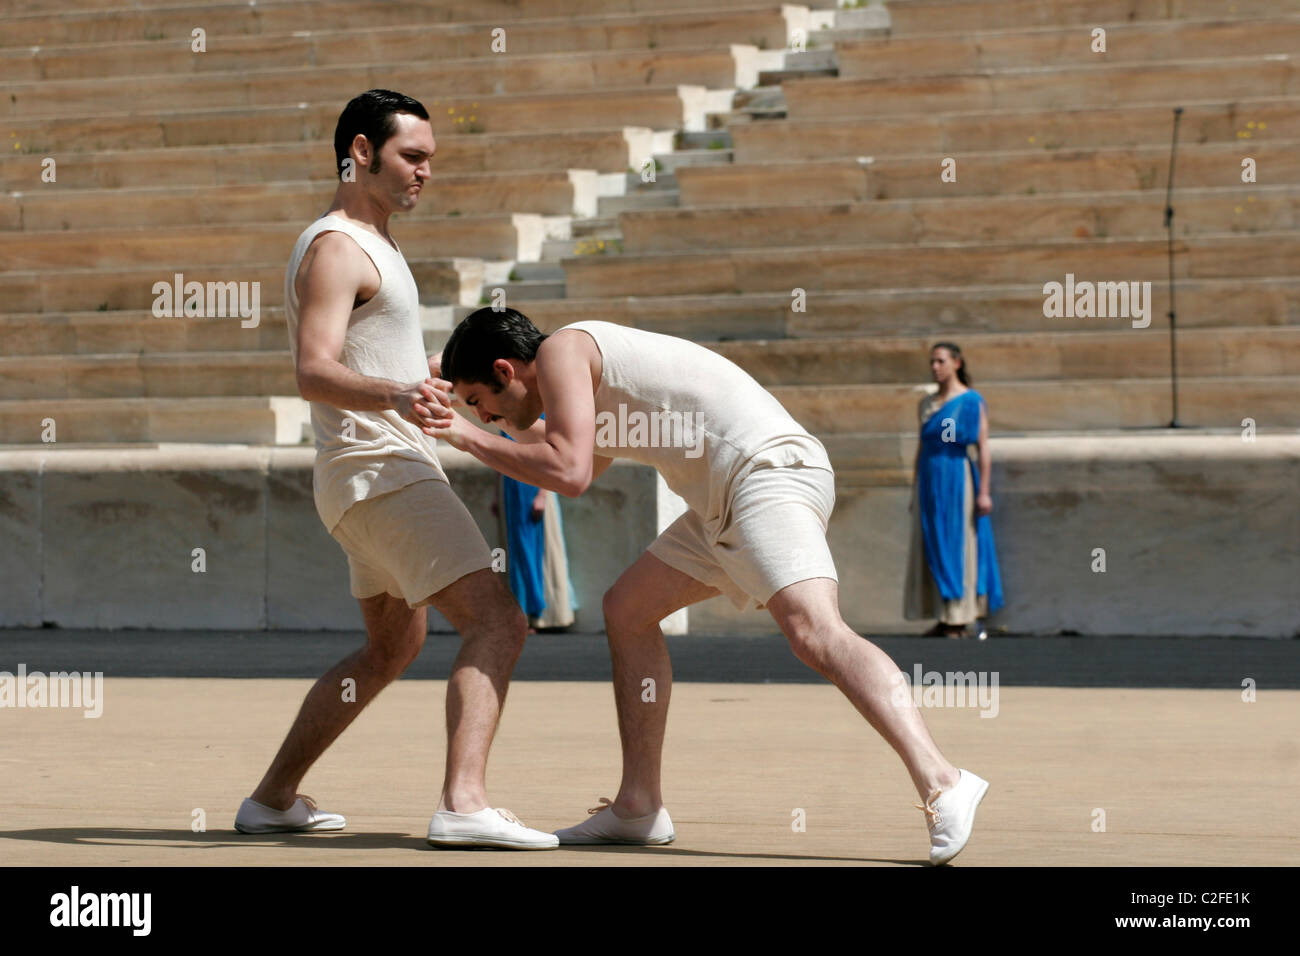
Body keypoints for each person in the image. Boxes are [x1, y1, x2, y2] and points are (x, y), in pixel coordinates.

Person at [426, 308, 989, 864]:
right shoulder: (577, 371)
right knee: (627, 609)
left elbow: (567, 473)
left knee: (814, 630)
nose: (487, 416)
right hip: (722, 500)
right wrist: (468, 413)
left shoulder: (562, 352)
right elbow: (578, 462)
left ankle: (943, 780)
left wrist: (463, 435)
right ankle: (639, 806)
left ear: (504, 370)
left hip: (767, 473)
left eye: (480, 401)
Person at [233, 90, 556, 849]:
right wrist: (402, 393)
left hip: (363, 480)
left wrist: (435, 372)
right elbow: (313, 370)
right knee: (500, 622)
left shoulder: (375, 246)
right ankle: (464, 803)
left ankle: (272, 799)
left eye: (430, 160)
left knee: (391, 648)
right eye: (412, 156)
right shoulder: (338, 247)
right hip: (383, 474)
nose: (425, 172)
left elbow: (377, 361)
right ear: (359, 152)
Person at [904, 343, 1005, 638]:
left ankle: (960, 616)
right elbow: (921, 447)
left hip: (957, 476)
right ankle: (942, 614)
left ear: (957, 363)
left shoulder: (971, 401)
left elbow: (983, 446)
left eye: (941, 361)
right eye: (932, 362)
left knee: (958, 541)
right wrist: (915, 489)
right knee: (932, 542)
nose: (935, 367)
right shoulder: (926, 404)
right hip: (930, 477)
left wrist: (984, 491)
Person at [497, 416, 577, 631]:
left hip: (535, 487)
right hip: (512, 489)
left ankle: (547, 615)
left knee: (543, 550)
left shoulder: (538, 411)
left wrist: (543, 495)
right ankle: (523, 613)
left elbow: (553, 455)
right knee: (515, 551)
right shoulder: (501, 410)